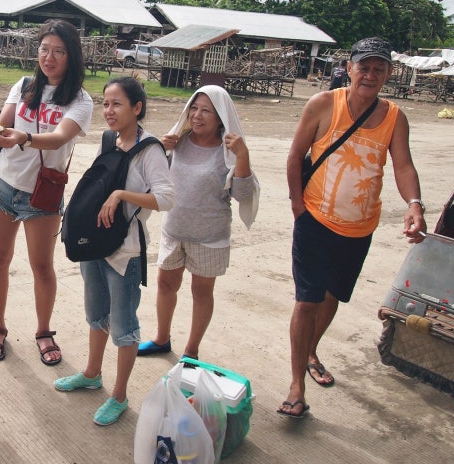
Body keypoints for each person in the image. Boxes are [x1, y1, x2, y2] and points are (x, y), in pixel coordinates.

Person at [278, 36, 427, 419]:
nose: (371, 75)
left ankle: (311, 350)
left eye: (379, 69)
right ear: (350, 67)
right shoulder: (323, 104)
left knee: (331, 298)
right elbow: (295, 156)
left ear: (389, 74)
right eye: (365, 67)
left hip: (360, 228)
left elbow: (403, 166)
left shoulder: (395, 117)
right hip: (314, 219)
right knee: (307, 299)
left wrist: (414, 204)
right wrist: (298, 207)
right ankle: (297, 385)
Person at [53, 76, 174, 426]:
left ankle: (119, 395)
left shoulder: (150, 149)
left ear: (137, 108)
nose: (108, 111)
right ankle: (92, 374)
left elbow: (166, 197)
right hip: (94, 243)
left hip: (125, 251)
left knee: (123, 327)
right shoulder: (110, 139)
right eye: (105, 103)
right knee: (96, 315)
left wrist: (122, 195)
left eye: (117, 104)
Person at [0, 19, 94, 365]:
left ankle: (44, 331)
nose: (49, 57)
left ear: (71, 57)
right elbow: (5, 122)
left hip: (42, 194)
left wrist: (23, 138)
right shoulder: (24, 85)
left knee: (42, 266)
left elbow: (60, 137)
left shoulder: (79, 100)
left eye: (58, 51)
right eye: (44, 49)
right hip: (3, 185)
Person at [137, 85, 259, 360]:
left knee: (201, 292)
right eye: (194, 108)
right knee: (166, 285)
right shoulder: (178, 142)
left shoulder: (229, 151)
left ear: (220, 118)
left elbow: (242, 195)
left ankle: (191, 351)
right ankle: (161, 338)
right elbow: (155, 182)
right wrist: (161, 151)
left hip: (210, 236)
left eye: (206, 110)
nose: (197, 115)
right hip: (174, 230)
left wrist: (243, 157)